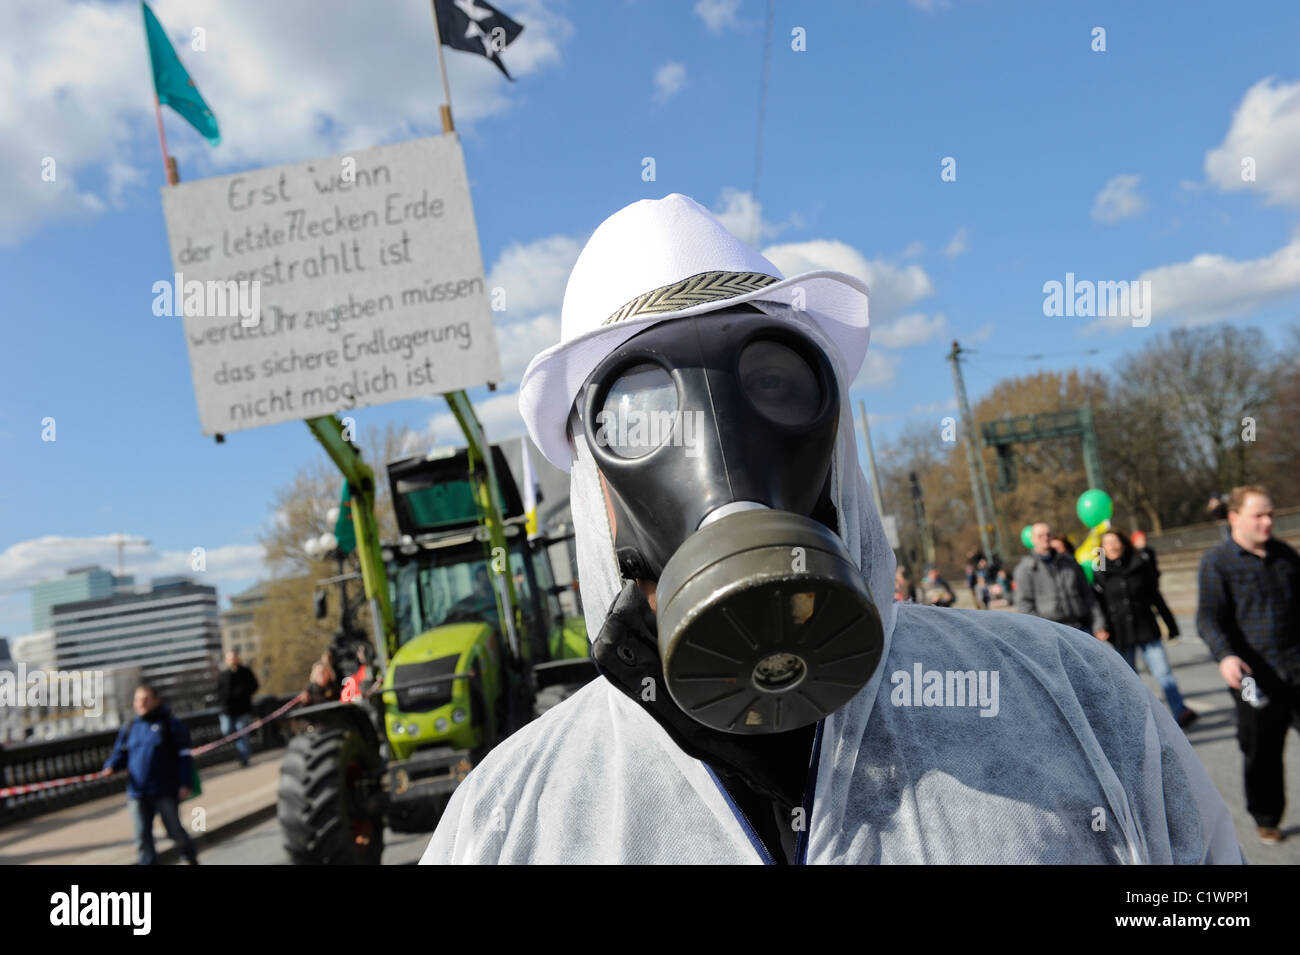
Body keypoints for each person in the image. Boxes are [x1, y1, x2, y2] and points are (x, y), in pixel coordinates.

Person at [422, 193, 1238, 864]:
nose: (717, 452)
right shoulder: (504, 825)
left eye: (774, 387)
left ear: (834, 434)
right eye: (639, 416)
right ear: (593, 480)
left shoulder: (1078, 702)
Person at [1197, 485, 1300, 846]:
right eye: (1259, 515)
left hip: (1295, 666)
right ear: (1234, 518)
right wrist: (1225, 654)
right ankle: (1267, 818)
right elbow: (1209, 617)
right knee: (1262, 752)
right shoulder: (1218, 562)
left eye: (1271, 513)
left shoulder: (1286, 556)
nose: (1268, 521)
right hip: (1251, 677)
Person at [1092, 530, 1197, 729]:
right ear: (1102, 548)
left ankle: (1180, 711)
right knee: (1129, 679)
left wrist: (1170, 624)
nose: (1112, 546)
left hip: (1146, 627)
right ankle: (1140, 722)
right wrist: (1100, 627)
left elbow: (1156, 598)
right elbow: (1098, 604)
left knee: (1163, 672)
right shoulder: (1100, 573)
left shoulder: (1140, 566)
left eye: (1115, 541)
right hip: (1120, 632)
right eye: (1107, 543)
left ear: (1124, 544)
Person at [102, 685, 199, 865]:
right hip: (138, 791)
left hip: (165, 789)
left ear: (156, 700)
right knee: (142, 835)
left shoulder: (170, 724)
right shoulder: (130, 726)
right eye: (138, 700)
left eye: (146, 699)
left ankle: (189, 857)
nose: (141, 704)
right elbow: (120, 753)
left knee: (173, 829)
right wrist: (111, 766)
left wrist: (185, 783)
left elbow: (184, 756)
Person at [1014, 522, 1108, 639]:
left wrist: (1098, 624)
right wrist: (1042, 631)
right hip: (1052, 634)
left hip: (1081, 628)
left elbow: (1088, 595)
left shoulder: (1070, 563)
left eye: (1048, 534)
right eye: (1040, 536)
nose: (1045, 538)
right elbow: (1024, 606)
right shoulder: (1025, 569)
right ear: (1032, 539)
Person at [216, 650, 259, 768]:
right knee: (227, 730)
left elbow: (255, 685)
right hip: (227, 710)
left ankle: (244, 758)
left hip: (243, 710)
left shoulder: (245, 671)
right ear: (226, 660)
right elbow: (219, 692)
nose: (233, 660)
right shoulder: (223, 674)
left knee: (242, 732)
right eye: (230, 658)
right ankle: (241, 751)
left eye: (234, 658)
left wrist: (245, 693)